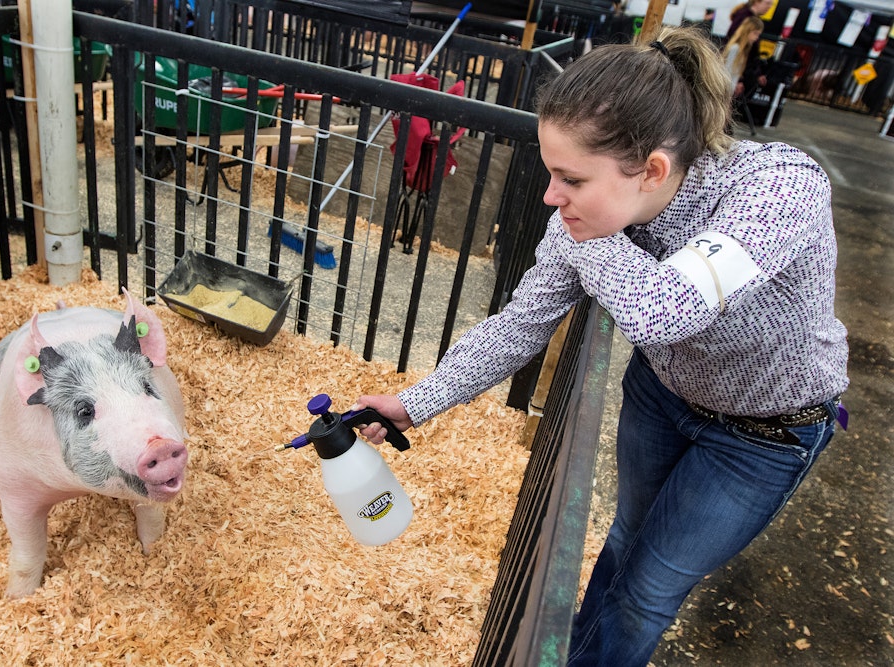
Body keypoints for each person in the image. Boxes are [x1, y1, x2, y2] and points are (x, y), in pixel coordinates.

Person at [352, 25, 849, 667]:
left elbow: (667, 308)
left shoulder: (776, 189)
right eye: (551, 173)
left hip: (765, 434)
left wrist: (588, 242)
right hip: (663, 396)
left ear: (653, 170)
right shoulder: (587, 220)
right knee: (621, 543)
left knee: (649, 590)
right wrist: (416, 402)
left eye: (571, 179)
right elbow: (519, 324)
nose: (551, 196)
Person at [723, 16, 767, 98]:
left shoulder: (743, 50)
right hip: (724, 90)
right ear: (747, 31)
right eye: (755, 33)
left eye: (758, 34)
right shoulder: (735, 48)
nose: (756, 37)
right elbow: (727, 70)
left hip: (728, 91)